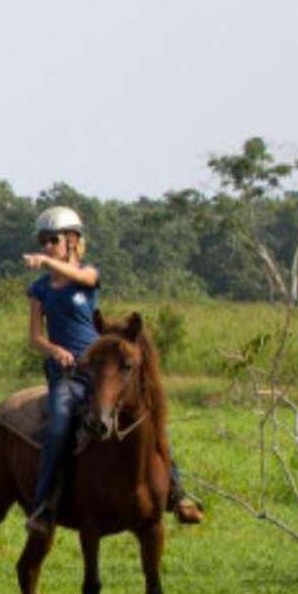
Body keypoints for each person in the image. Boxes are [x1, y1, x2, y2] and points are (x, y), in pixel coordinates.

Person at [23, 206, 201, 534]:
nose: (47, 246)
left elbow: (82, 277)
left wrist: (47, 262)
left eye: (53, 239)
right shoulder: (40, 290)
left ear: (73, 241)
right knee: (59, 428)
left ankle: (177, 493)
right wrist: (55, 350)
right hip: (65, 375)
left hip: (101, 371)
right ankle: (45, 507)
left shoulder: (88, 277)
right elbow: (35, 337)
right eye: (43, 241)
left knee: (149, 417)